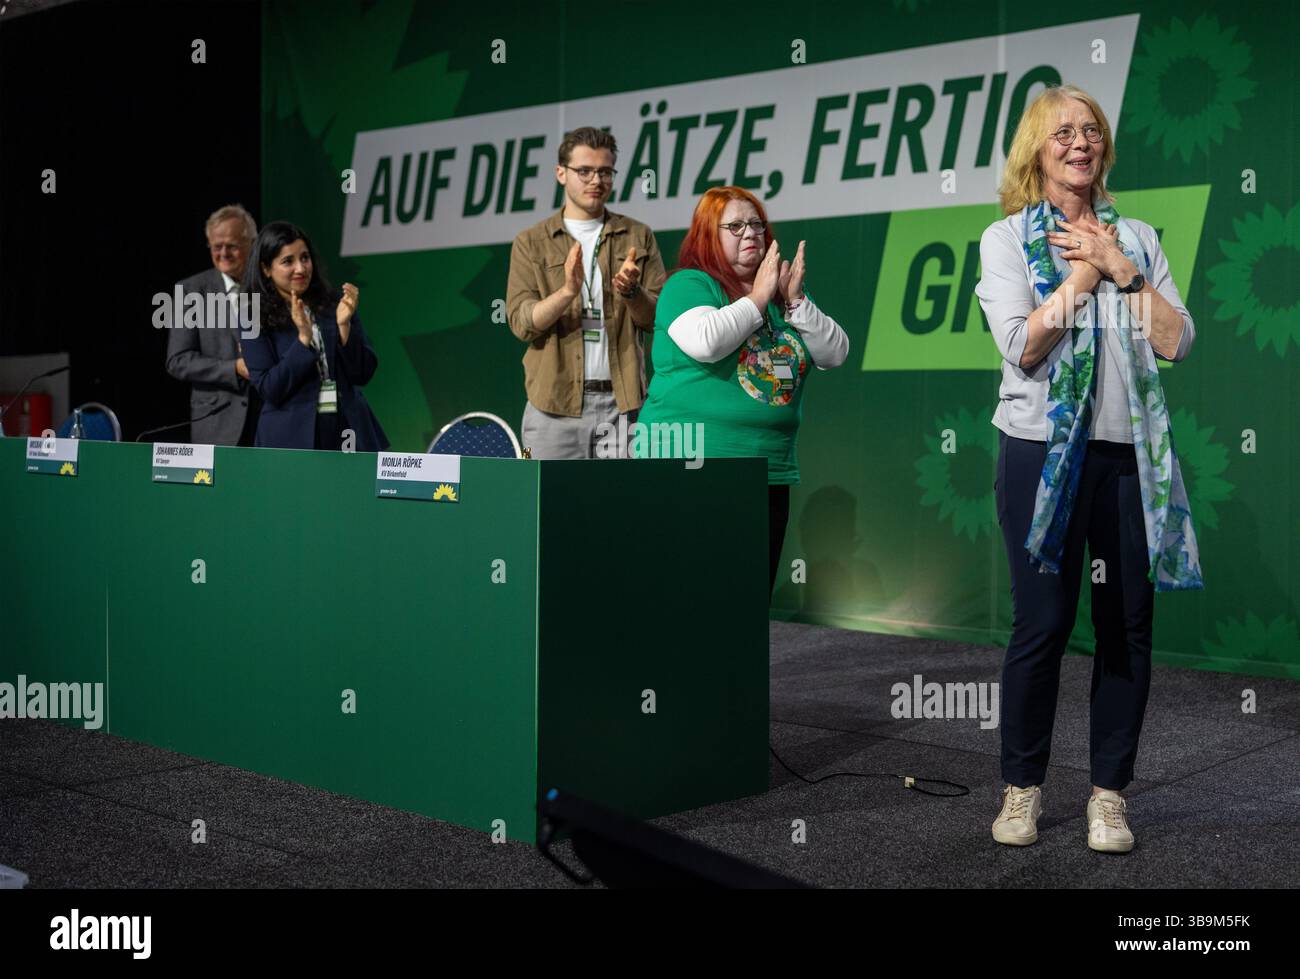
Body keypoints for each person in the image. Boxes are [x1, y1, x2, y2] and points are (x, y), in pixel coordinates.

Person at [975, 84, 1201, 854]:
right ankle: (1022, 787)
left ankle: (1109, 796)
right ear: (1037, 150)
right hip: (1038, 451)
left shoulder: (1135, 235)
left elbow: (1176, 340)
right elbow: (1024, 346)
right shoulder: (1005, 240)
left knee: (1127, 625)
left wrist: (1121, 266)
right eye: (1063, 131)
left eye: (1092, 130)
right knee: (1041, 623)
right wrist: (1082, 274)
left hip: (1128, 457)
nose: (1081, 142)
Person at [637, 186, 849, 595]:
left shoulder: (778, 296)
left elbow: (836, 353)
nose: (750, 232)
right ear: (707, 235)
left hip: (768, 471)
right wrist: (758, 297)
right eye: (735, 225)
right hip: (692, 468)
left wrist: (796, 302)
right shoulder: (689, 285)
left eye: (756, 224)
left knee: (748, 602)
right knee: (691, 596)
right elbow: (707, 340)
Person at [505, 126, 666, 458]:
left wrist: (632, 291)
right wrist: (566, 292)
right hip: (553, 406)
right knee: (550, 508)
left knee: (621, 509)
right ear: (561, 173)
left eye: (605, 172)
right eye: (585, 171)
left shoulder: (637, 235)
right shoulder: (531, 241)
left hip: (623, 408)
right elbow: (521, 322)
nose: (596, 180)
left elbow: (657, 320)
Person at [240, 221, 388, 452]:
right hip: (291, 439)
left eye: (305, 258)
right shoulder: (252, 316)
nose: (301, 268)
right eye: (288, 261)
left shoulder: (335, 304)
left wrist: (344, 325)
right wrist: (303, 340)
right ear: (266, 269)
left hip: (348, 430)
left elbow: (363, 373)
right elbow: (270, 388)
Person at [164, 204, 260, 445]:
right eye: (217, 246)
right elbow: (178, 361)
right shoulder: (190, 291)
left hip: (267, 421)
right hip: (217, 424)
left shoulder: (268, 286)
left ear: (252, 243)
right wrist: (234, 368)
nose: (224, 253)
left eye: (232, 246)